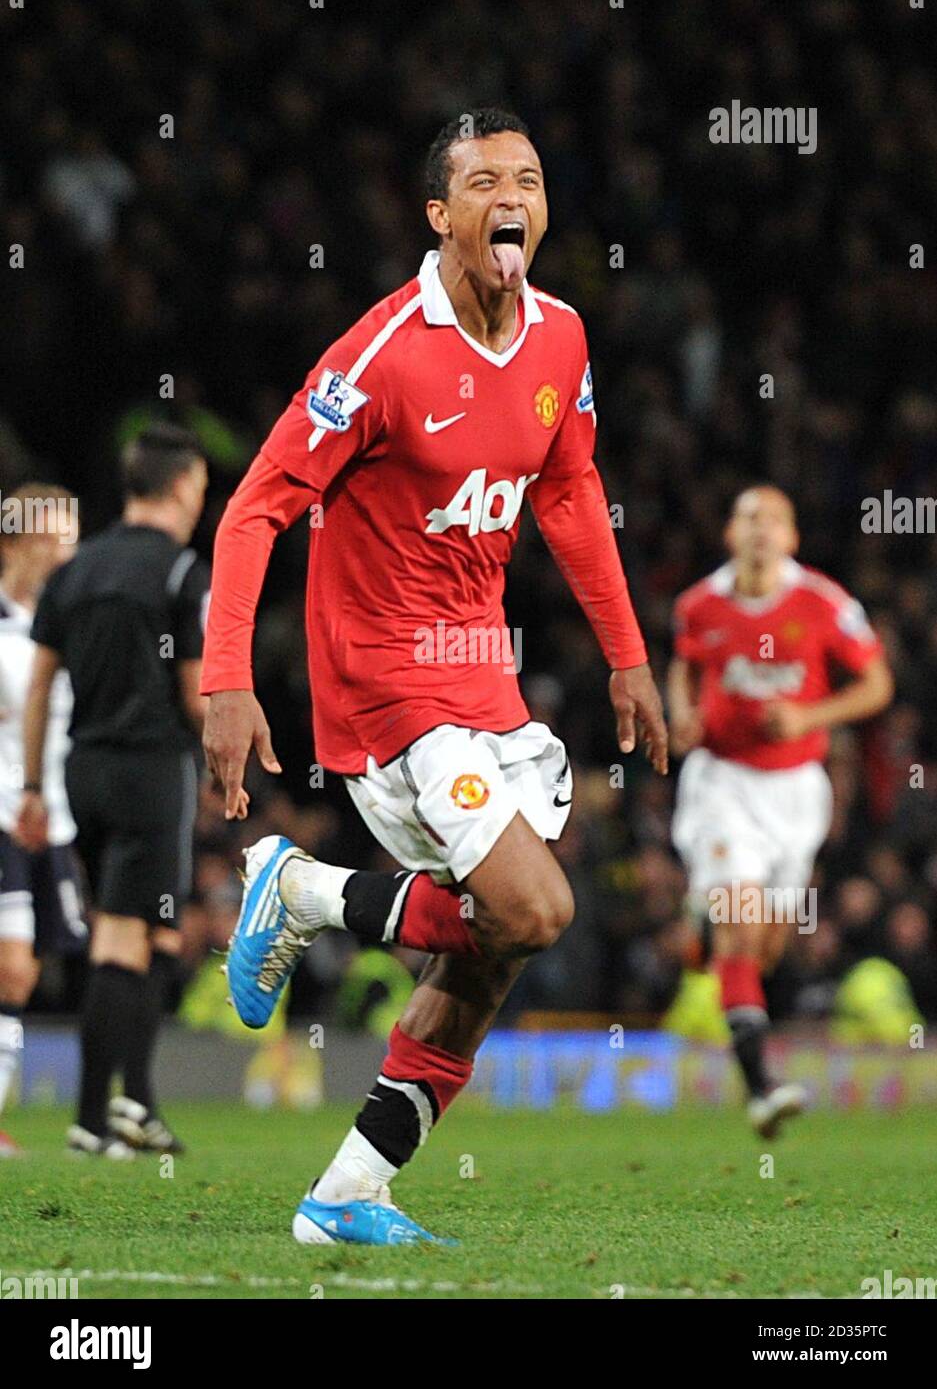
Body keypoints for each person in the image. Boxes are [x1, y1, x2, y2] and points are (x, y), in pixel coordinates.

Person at [200, 108, 668, 1245]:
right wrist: (225, 677)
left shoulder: (560, 338)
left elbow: (565, 491)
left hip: (483, 677)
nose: (512, 195)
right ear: (441, 216)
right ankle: (299, 890)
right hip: (382, 681)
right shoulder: (380, 356)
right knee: (533, 907)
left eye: (530, 177)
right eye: (484, 181)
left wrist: (627, 656)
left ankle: (348, 1192)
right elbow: (259, 503)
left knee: (498, 941)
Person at [668, 485, 893, 1136]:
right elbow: (683, 667)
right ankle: (761, 1085)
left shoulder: (823, 603)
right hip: (723, 785)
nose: (760, 529)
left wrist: (806, 716)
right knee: (739, 928)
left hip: (796, 792)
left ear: (791, 538)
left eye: (772, 520)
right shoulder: (699, 605)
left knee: (761, 947)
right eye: (747, 518)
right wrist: (683, 714)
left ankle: (702, 920)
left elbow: (877, 685)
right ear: (729, 534)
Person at [17, 425, 209, 1156]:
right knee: (123, 939)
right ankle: (94, 1119)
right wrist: (227, 762)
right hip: (149, 769)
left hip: (80, 768)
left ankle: (138, 1103)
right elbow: (195, 695)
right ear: (182, 487)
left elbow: (40, 687)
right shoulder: (180, 571)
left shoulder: (76, 570)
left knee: (155, 935)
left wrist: (35, 784)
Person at [0, 483, 84, 1154]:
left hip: (48, 821)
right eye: (54, 538)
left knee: (29, 970)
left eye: (72, 539)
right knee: (14, 968)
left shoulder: (68, 626)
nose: (67, 551)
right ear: (15, 542)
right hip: (2, 813)